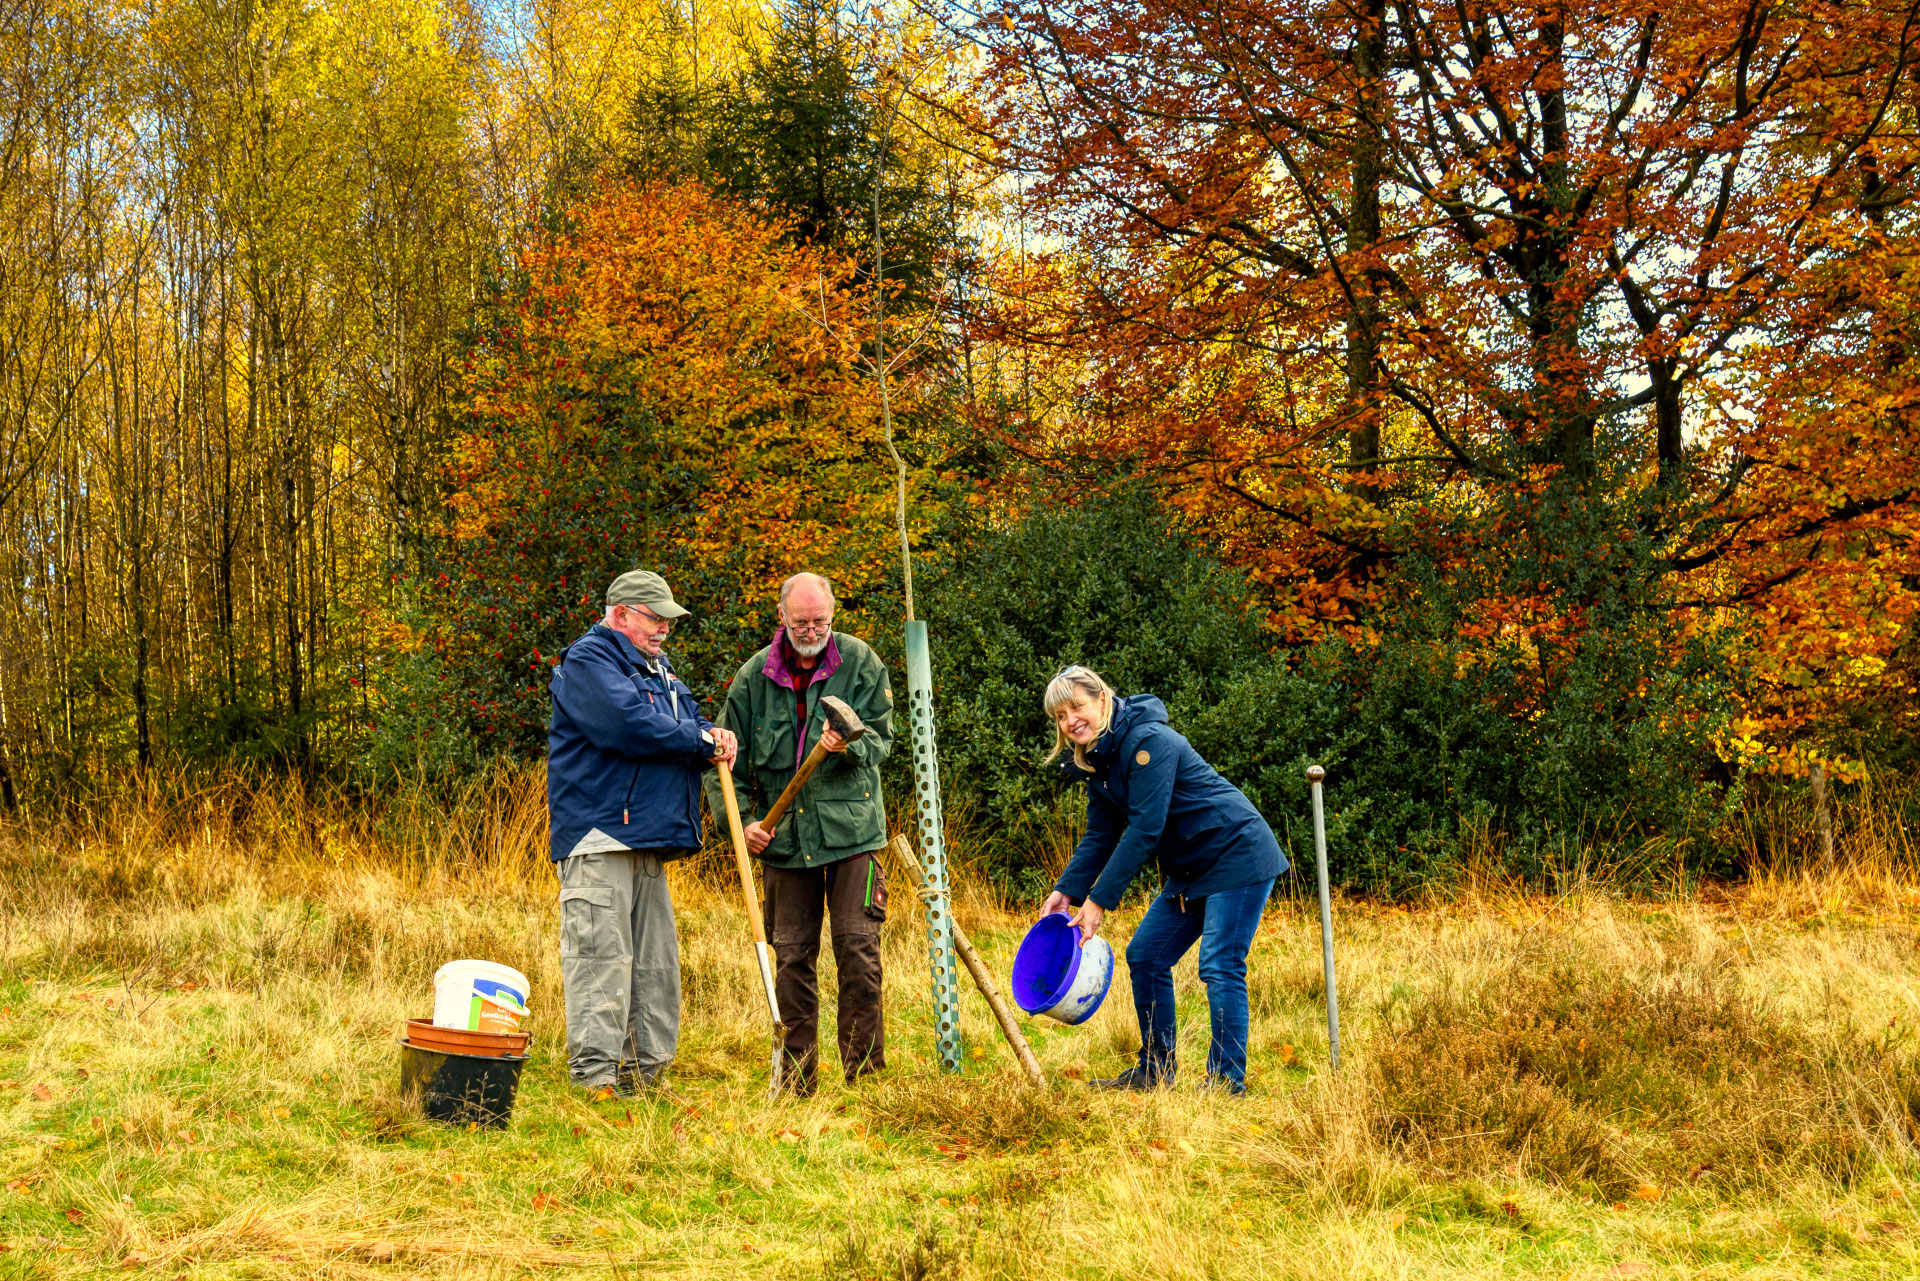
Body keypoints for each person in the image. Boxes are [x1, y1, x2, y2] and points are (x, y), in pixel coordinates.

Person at [1037, 665, 1286, 1095]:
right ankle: (1154, 1072)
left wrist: (1097, 901)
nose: (1069, 720)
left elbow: (1145, 829)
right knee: (1147, 956)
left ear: (1101, 699)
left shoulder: (1150, 742)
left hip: (1236, 853)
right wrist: (1068, 891)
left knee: (1219, 963)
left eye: (1076, 706)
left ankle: (1226, 1084)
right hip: (1190, 867)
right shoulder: (1098, 758)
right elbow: (1101, 833)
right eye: (1059, 715)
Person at [547, 569, 738, 1100]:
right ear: (622, 613)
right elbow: (627, 725)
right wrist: (700, 740)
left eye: (667, 621)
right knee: (600, 960)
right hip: (600, 835)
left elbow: (685, 727)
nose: (663, 630)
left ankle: (645, 1079)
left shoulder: (659, 668)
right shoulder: (589, 661)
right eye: (655, 618)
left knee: (656, 965)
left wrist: (712, 734)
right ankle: (596, 1082)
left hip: (648, 837)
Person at [706, 572, 894, 1096]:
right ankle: (794, 1083)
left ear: (832, 616)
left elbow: (882, 740)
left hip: (854, 834)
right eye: (800, 621)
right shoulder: (751, 680)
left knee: (858, 951)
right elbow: (720, 763)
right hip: (783, 842)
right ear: (782, 618)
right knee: (791, 958)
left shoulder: (860, 663)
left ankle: (866, 1081)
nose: (811, 630)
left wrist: (849, 746)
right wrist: (741, 822)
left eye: (820, 621)